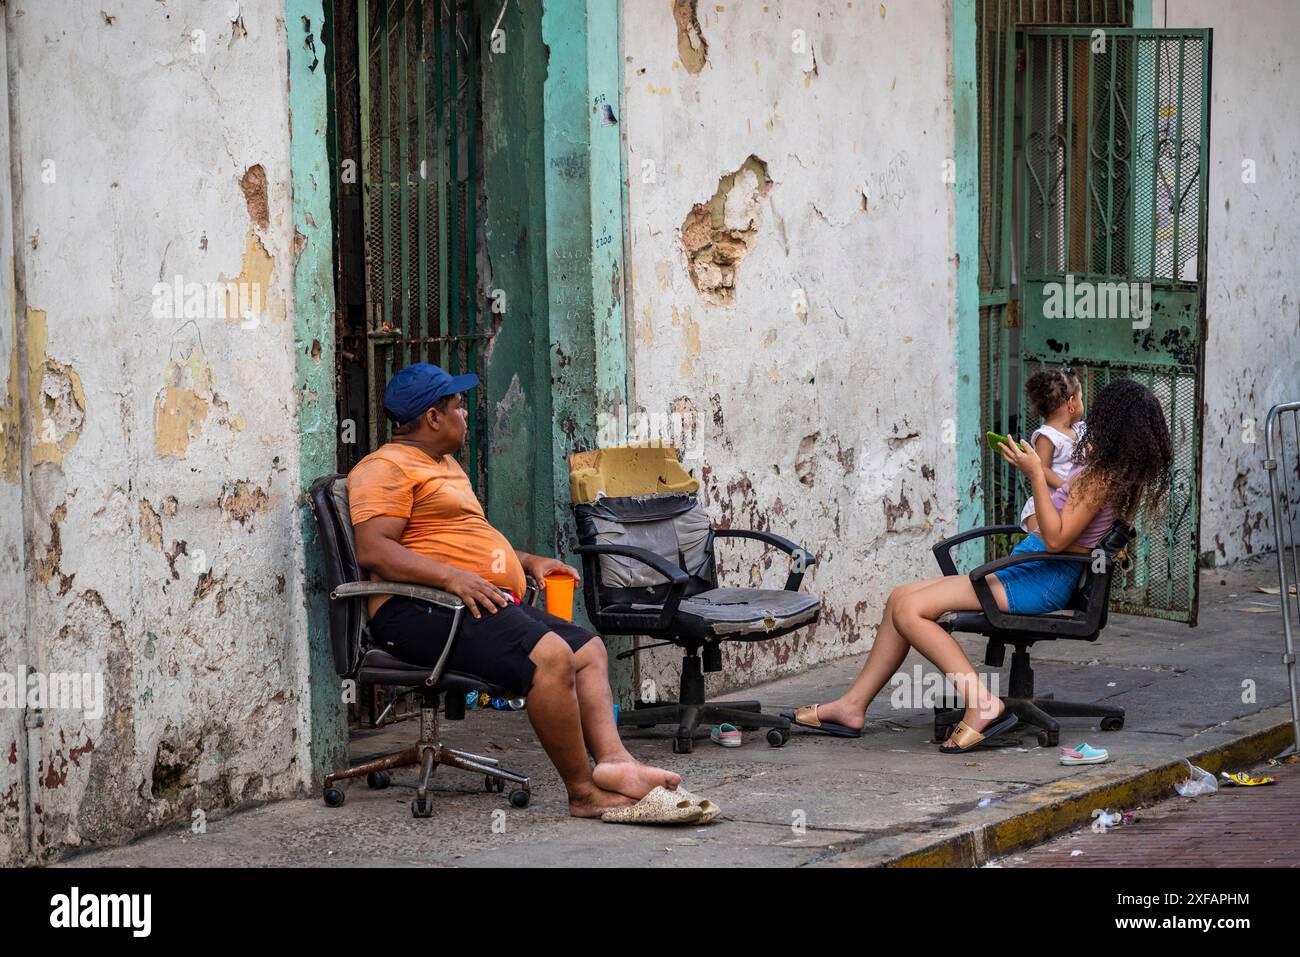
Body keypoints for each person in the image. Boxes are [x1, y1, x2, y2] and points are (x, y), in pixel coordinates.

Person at [346, 363, 681, 817]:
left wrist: (526, 562)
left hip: (468, 599)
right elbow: (374, 549)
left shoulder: (444, 466)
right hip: (415, 609)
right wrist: (452, 578)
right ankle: (583, 792)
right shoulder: (385, 468)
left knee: (585, 649)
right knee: (551, 657)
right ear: (432, 418)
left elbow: (468, 540)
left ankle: (615, 763)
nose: (465, 415)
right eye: (458, 407)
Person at [787, 378, 1172, 753]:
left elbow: (1056, 538)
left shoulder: (1099, 479)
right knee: (899, 598)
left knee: (910, 609)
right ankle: (853, 706)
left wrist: (1036, 472)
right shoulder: (1116, 476)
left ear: (1110, 422)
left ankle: (982, 703)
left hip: (1044, 575)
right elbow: (1072, 533)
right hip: (1040, 566)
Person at [1020, 367, 1085, 533]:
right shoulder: (1047, 436)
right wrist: (1066, 487)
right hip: (1049, 502)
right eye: (1081, 399)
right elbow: (1041, 469)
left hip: (1072, 502)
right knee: (1040, 550)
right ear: (1071, 403)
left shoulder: (1080, 429)